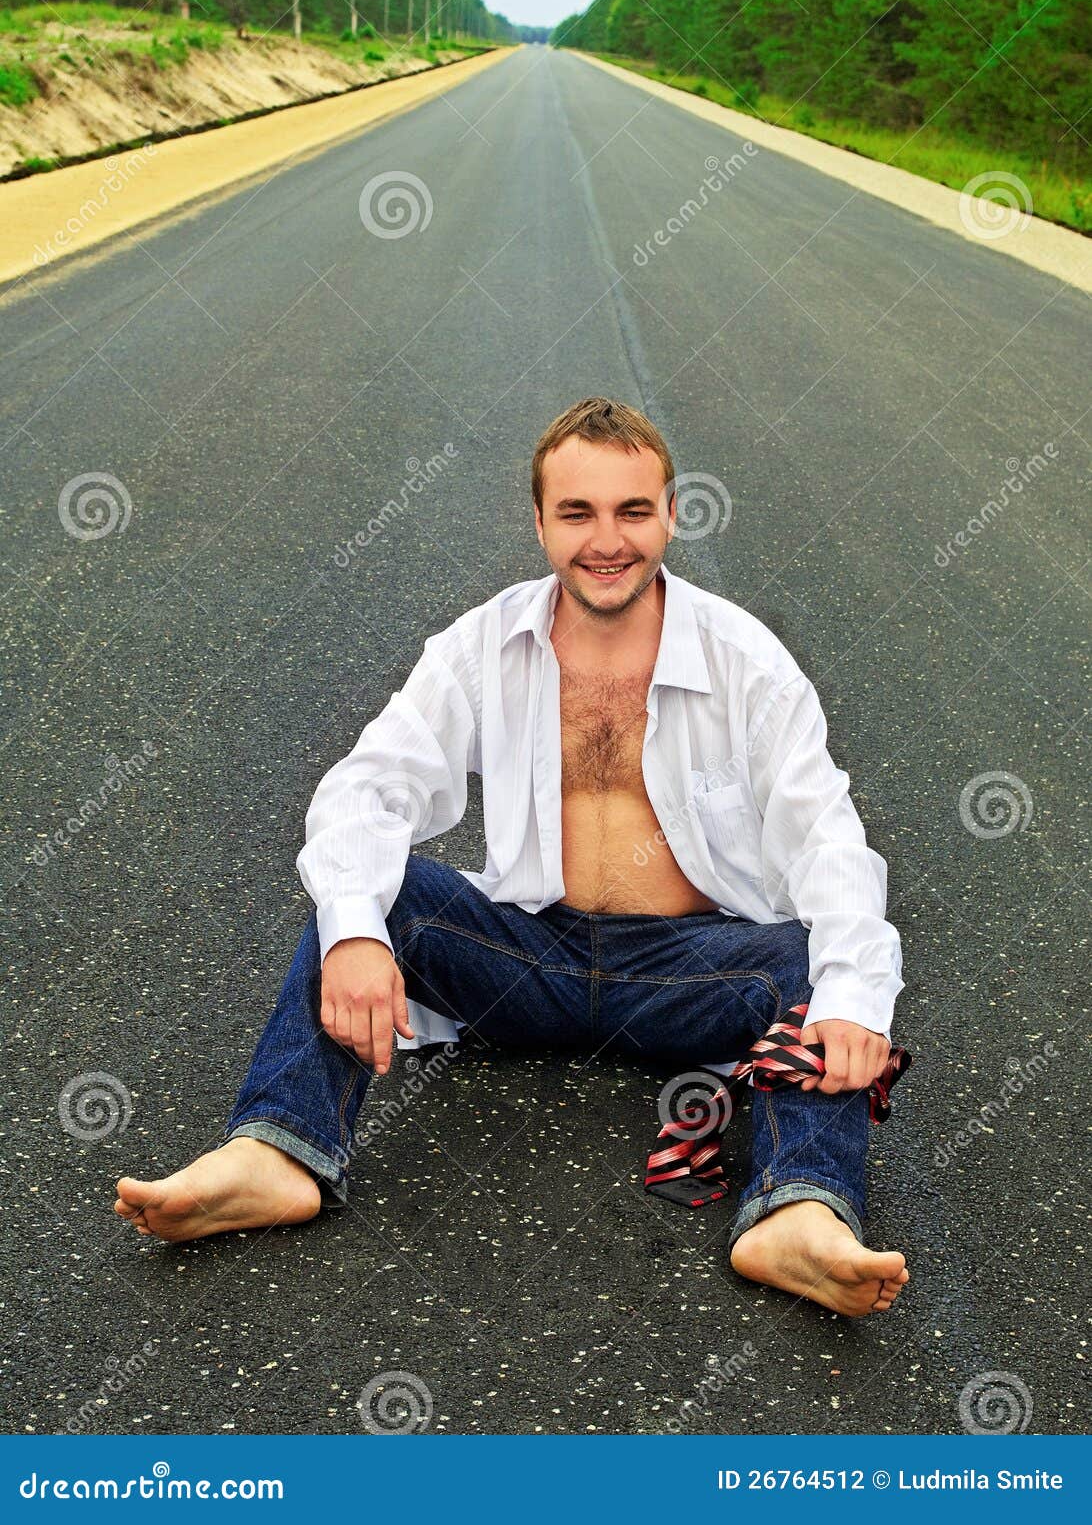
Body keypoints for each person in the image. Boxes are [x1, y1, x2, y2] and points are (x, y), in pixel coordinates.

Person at [116, 398, 910, 1317]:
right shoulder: (483, 645)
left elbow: (828, 839)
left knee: (825, 967)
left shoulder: (748, 663)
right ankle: (278, 1150)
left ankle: (798, 1210)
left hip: (690, 973)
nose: (606, 541)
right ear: (538, 523)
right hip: (529, 955)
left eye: (631, 512)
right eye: (577, 514)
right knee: (375, 896)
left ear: (671, 515)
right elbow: (364, 789)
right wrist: (356, 936)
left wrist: (854, 1003)